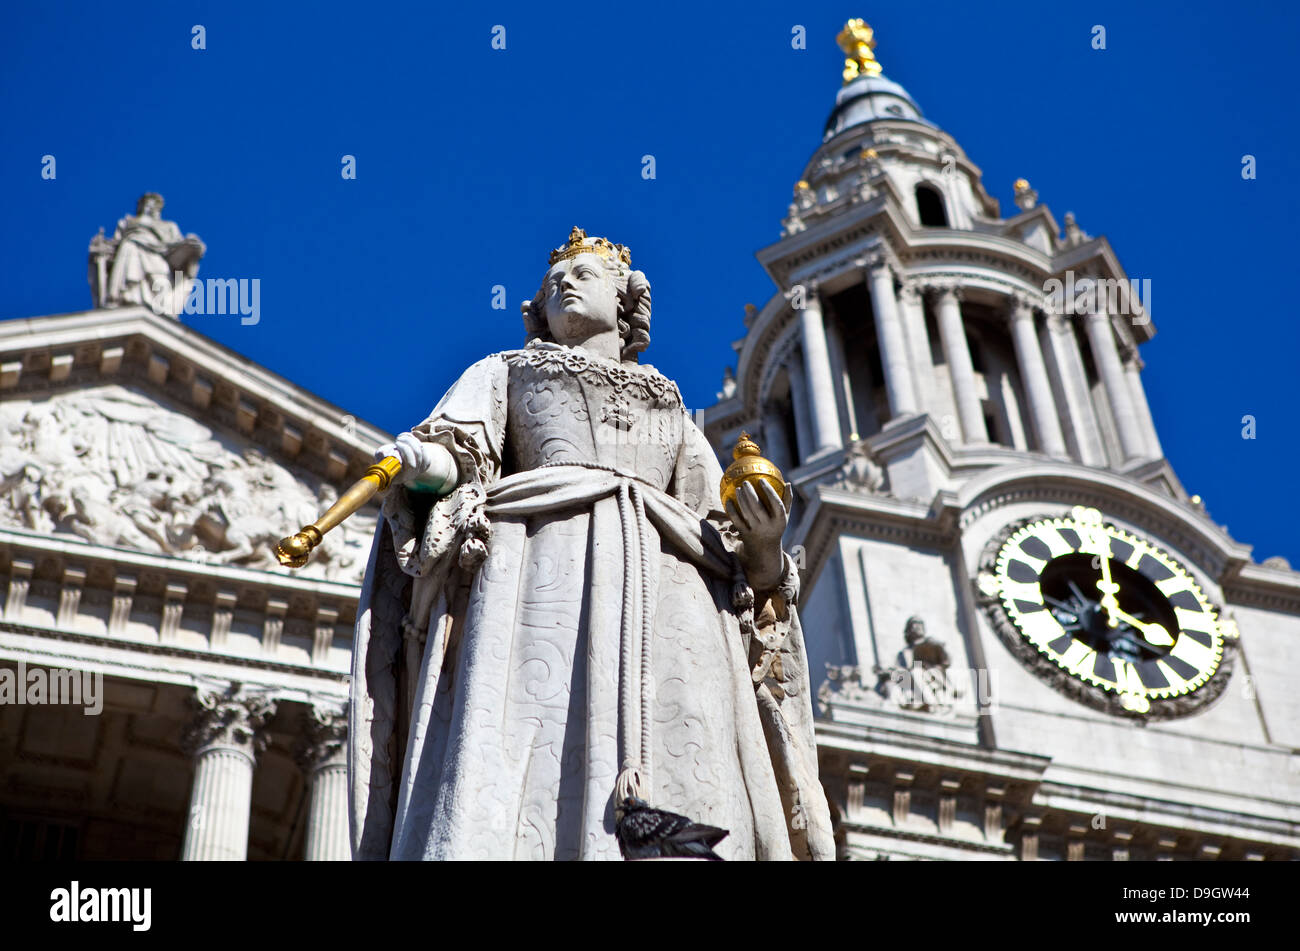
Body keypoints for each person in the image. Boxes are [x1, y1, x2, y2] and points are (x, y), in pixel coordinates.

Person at [348, 227, 833, 860]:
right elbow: (458, 459)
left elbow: (732, 546)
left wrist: (765, 548)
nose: (565, 284)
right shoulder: (505, 371)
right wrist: (422, 464)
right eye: (553, 284)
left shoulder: (676, 412)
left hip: (677, 595)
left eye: (584, 274)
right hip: (537, 565)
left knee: (688, 741)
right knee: (532, 740)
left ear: (627, 299)